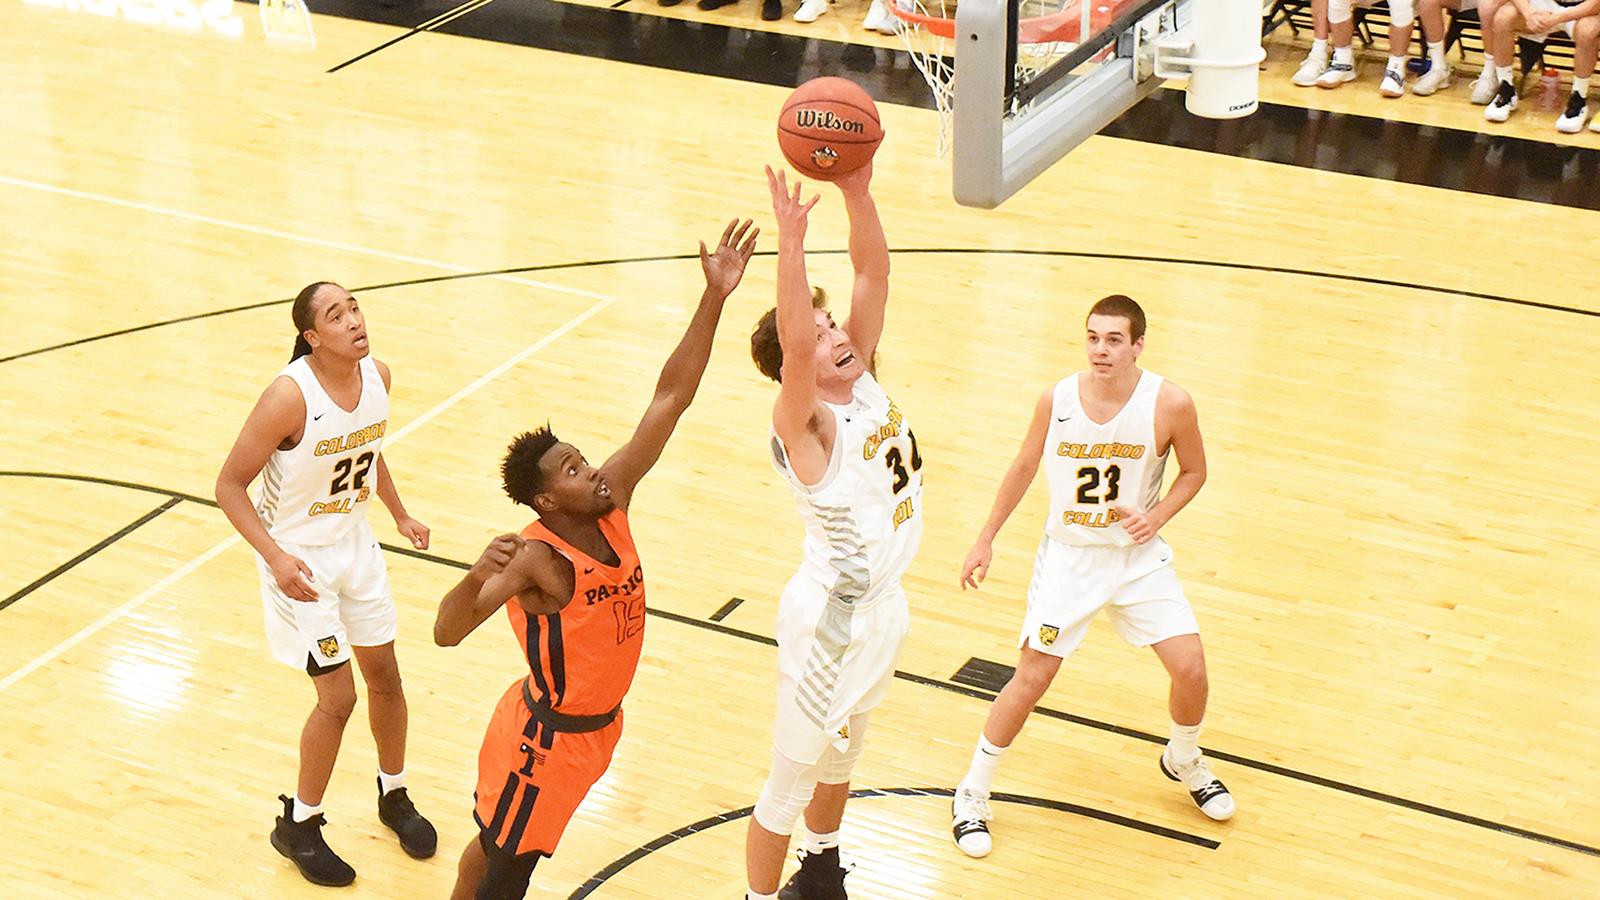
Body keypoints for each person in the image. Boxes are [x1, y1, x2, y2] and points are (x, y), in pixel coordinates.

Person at [432, 219, 757, 900]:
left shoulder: (613, 500)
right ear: (548, 500)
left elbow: (670, 399)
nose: (593, 472)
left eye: (584, 459)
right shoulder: (533, 558)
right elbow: (447, 631)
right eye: (575, 470)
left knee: (492, 850)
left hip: (594, 733)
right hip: (542, 745)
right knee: (507, 875)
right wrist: (475, 574)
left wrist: (715, 296)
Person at [948, 295, 1234, 860]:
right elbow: (1024, 465)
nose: (1100, 350)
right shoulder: (1056, 399)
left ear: (1138, 345)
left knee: (1191, 668)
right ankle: (971, 792)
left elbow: (1195, 471)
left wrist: (1156, 516)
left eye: (1113, 340)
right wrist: (985, 538)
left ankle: (1183, 757)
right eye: (1093, 337)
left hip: (1135, 559)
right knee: (1031, 678)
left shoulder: (1170, 403)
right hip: (1070, 559)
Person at [215, 282, 436, 887]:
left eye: (355, 307)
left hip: (356, 546)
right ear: (312, 337)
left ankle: (394, 794)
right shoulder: (288, 397)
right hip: (300, 563)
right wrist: (276, 558)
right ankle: (300, 825)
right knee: (338, 699)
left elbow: (368, 449)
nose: (354, 320)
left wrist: (399, 514)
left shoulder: (378, 376)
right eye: (337, 316)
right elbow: (228, 486)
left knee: (386, 678)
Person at [743, 162, 920, 900]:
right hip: (830, 622)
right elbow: (792, 346)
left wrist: (857, 190)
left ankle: (819, 871)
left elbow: (873, 274)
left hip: (884, 607)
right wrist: (790, 243)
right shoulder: (806, 423)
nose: (834, 334)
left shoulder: (863, 376)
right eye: (817, 335)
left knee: (844, 755)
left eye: (832, 324)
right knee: (789, 783)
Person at [1481, 0, 1600, 129]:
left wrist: (1556, 18)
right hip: (1543, 4)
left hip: (1581, 9)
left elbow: (1594, 5)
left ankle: (1578, 99)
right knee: (1502, 17)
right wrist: (1528, 14)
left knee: (1587, 32)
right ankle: (1506, 90)